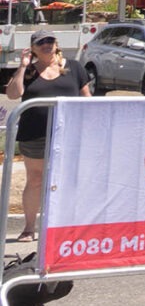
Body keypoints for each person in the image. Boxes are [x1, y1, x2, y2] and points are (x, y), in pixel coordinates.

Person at [8, 34, 89, 224]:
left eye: (50, 41)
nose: (46, 45)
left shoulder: (74, 67)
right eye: (40, 42)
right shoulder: (28, 71)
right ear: (33, 48)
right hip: (35, 134)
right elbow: (13, 94)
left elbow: (87, 97)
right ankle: (29, 227)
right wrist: (22, 66)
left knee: (68, 180)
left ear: (56, 44)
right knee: (35, 179)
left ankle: (63, 226)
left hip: (69, 134)